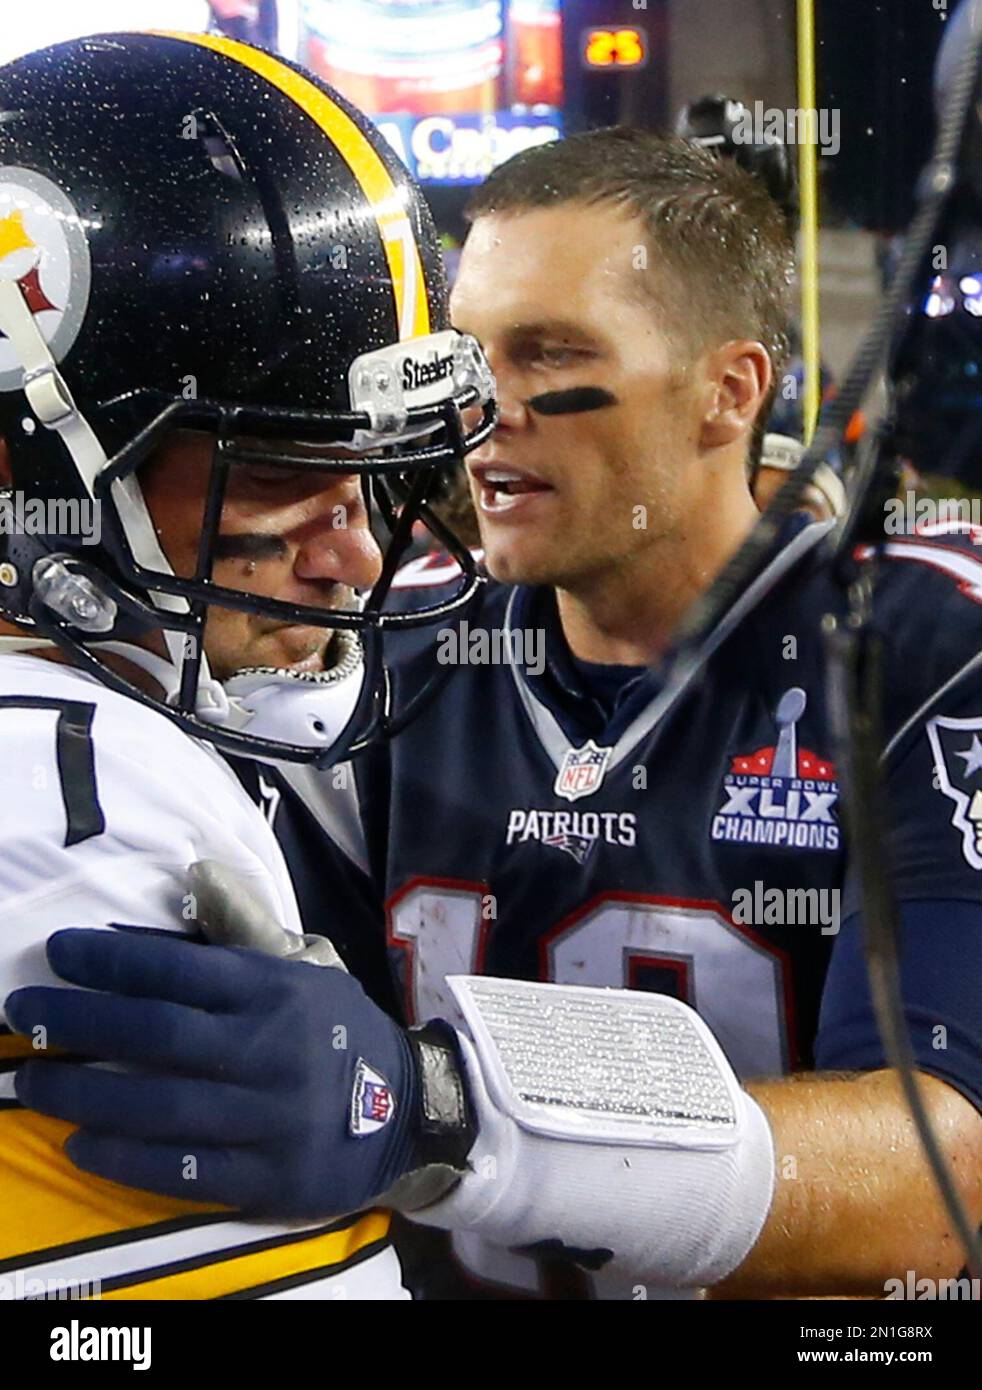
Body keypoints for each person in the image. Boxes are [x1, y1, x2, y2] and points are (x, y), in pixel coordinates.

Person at [11, 128, 982, 1300]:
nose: (487, 410)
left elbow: (949, 1178)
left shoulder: (925, 648)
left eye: (549, 354)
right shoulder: (378, 646)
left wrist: (442, 1110)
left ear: (728, 391)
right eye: (467, 359)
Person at [0, 29, 491, 1298]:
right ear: (21, 471)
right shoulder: (89, 784)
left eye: (369, 482)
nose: (350, 558)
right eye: (273, 475)